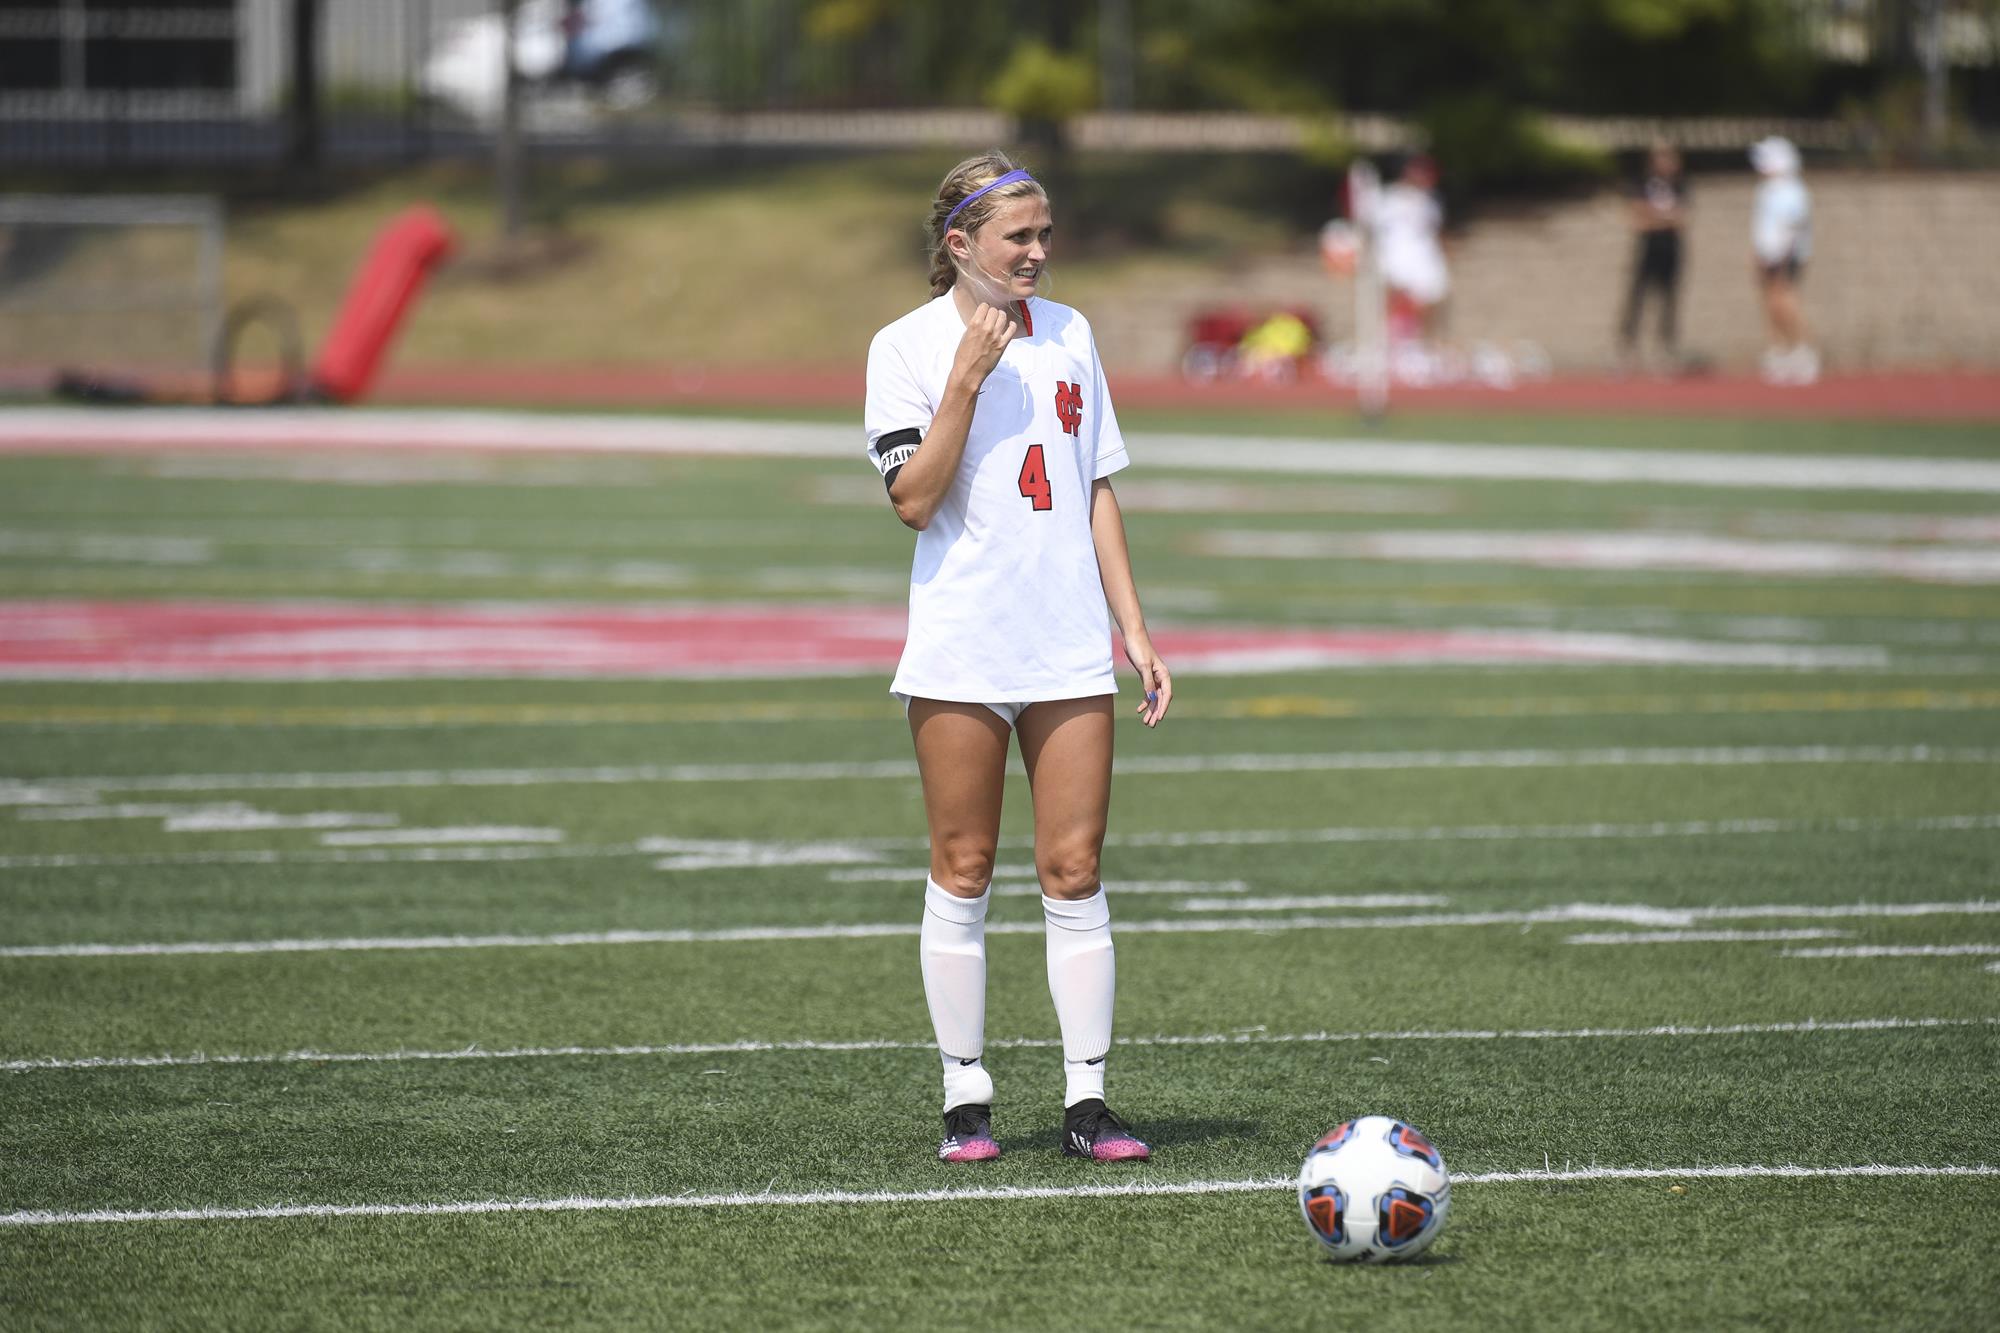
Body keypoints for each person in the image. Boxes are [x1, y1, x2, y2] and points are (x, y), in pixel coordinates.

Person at [863, 151, 1173, 1166]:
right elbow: (914, 499)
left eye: (1044, 235)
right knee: (962, 866)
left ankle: (1087, 1098)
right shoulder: (903, 346)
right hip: (961, 641)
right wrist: (964, 377)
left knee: (1073, 868)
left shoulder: (1073, 333)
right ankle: (966, 1092)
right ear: (959, 246)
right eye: (1017, 238)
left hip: (1067, 639)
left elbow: (1093, 489)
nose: (1037, 253)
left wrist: (1131, 626)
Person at [1749, 135, 1818, 384]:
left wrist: (1782, 256)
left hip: (1785, 256)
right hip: (1768, 257)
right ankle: (1780, 351)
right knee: (1771, 304)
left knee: (1785, 301)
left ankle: (1802, 350)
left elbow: (1792, 226)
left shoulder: (1792, 190)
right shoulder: (1766, 190)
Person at [1617, 141, 1689, 372]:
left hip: (1672, 251)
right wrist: (1664, 217)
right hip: (1647, 250)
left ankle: (1665, 350)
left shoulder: (1680, 185)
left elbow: (1683, 218)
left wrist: (1656, 216)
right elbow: (1637, 219)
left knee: (1669, 301)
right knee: (1637, 299)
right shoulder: (1641, 184)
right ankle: (1628, 351)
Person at [1372, 154, 1449, 349]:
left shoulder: (1431, 201)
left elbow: (1436, 231)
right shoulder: (1388, 198)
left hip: (1423, 257)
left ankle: (1421, 345)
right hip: (1396, 255)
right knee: (1394, 300)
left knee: (1429, 300)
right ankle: (1385, 344)